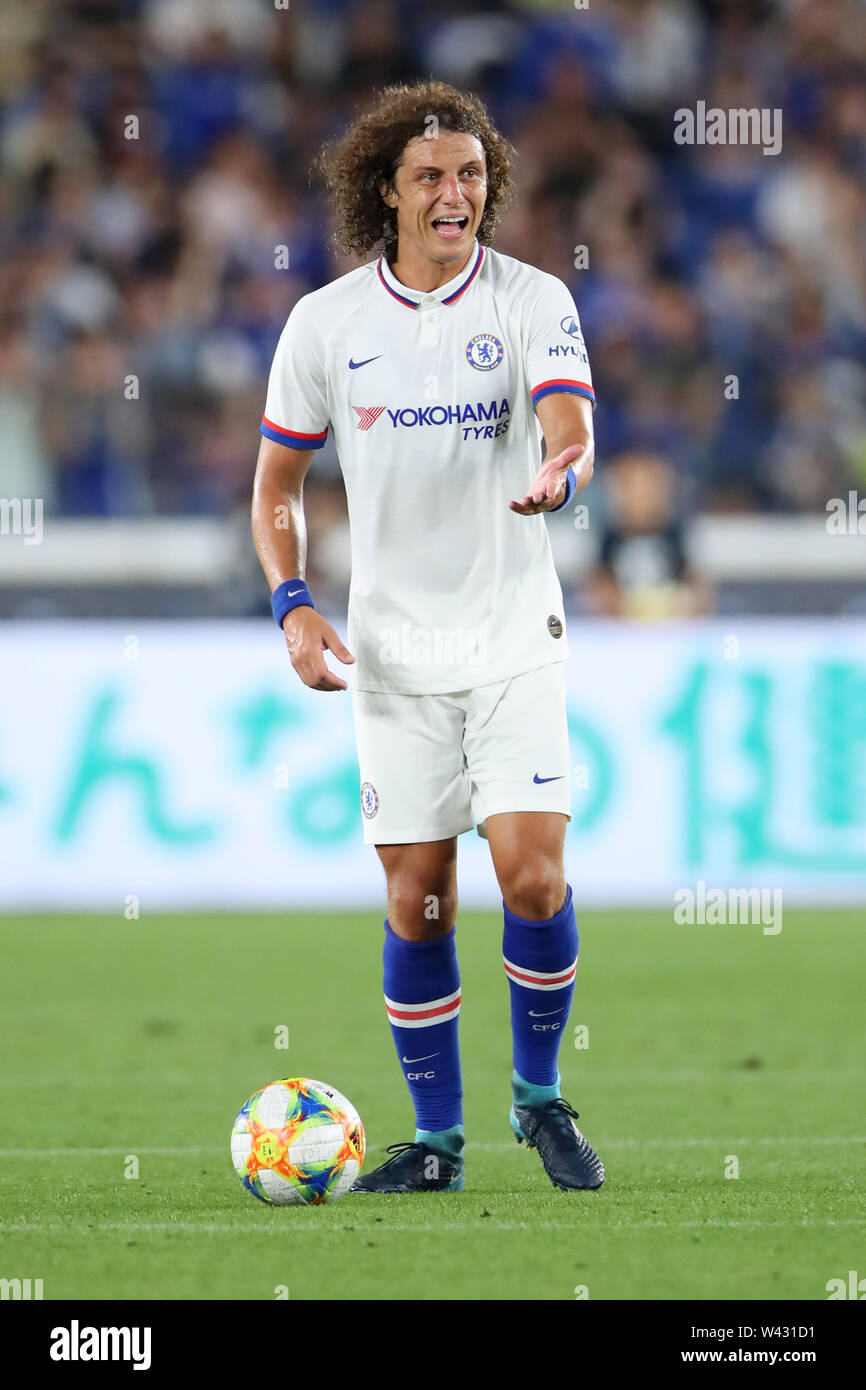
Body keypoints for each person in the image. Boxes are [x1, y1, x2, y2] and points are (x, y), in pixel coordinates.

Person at [251, 80, 604, 1194]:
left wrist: (561, 471)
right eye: (431, 177)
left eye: (471, 176)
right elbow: (276, 485)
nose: (455, 194)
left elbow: (569, 422)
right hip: (393, 655)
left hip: (510, 634)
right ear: (386, 192)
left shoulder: (533, 299)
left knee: (532, 877)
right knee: (419, 898)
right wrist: (292, 601)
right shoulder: (326, 325)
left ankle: (539, 1099)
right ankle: (438, 1143)